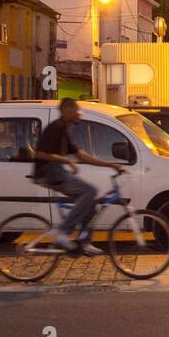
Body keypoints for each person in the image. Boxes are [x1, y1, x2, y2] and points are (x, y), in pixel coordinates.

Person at [33, 99, 114, 253]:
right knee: (89, 191)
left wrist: (110, 165)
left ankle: (85, 243)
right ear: (66, 112)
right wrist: (66, 160)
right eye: (75, 110)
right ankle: (63, 232)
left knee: (91, 204)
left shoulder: (64, 129)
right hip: (49, 172)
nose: (79, 113)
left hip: (56, 171)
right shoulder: (55, 128)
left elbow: (81, 156)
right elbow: (40, 154)